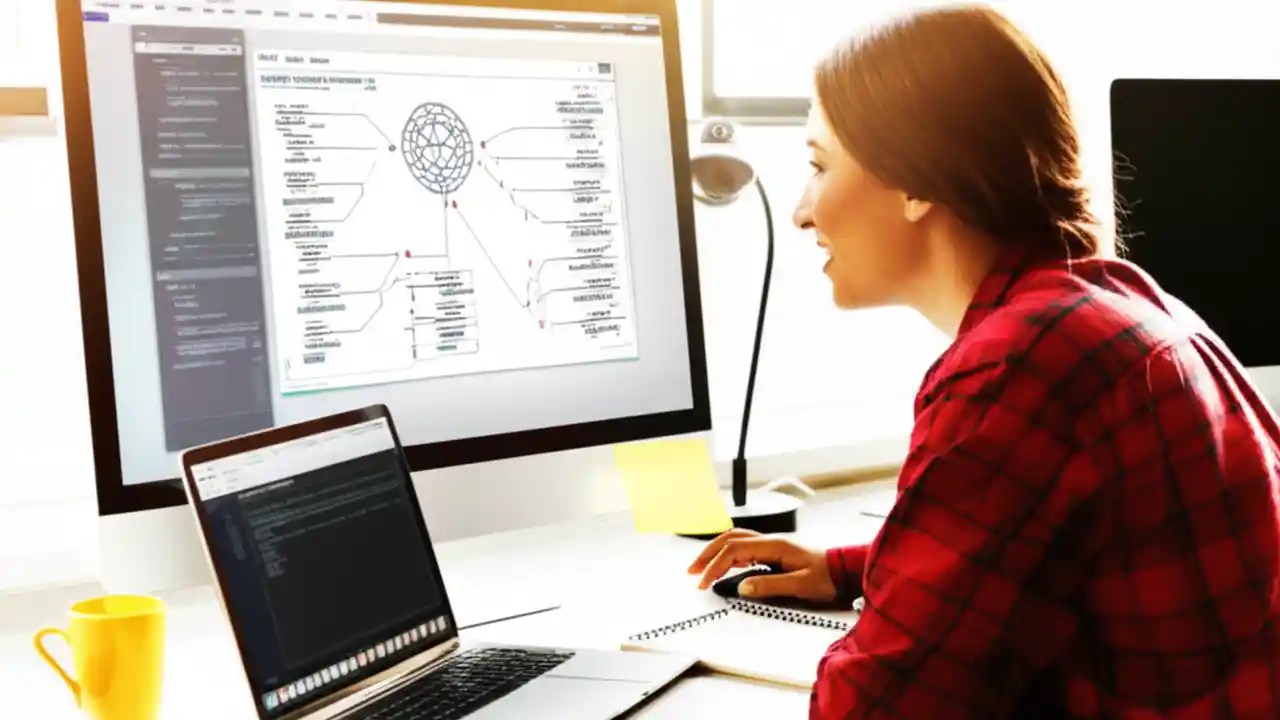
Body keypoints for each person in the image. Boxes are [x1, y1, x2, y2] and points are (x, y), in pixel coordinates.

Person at [688, 5, 1280, 719]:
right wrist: (854, 568)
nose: (802, 212)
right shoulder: (1114, 301)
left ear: (916, 178)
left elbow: (881, 708)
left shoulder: (1020, 368)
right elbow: (1042, 543)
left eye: (819, 166)